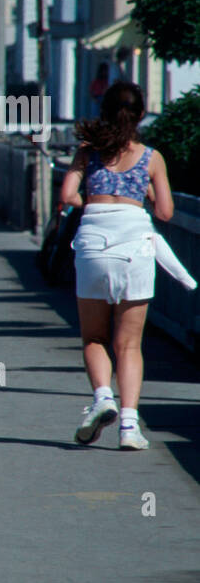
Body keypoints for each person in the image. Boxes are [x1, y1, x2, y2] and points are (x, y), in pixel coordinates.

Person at [59, 81, 187, 450]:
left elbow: (69, 196)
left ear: (104, 110)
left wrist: (94, 201)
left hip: (94, 247)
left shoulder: (88, 152)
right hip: (135, 248)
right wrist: (143, 191)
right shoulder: (152, 158)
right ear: (141, 115)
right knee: (129, 344)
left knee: (94, 337)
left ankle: (102, 399)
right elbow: (164, 211)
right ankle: (130, 427)